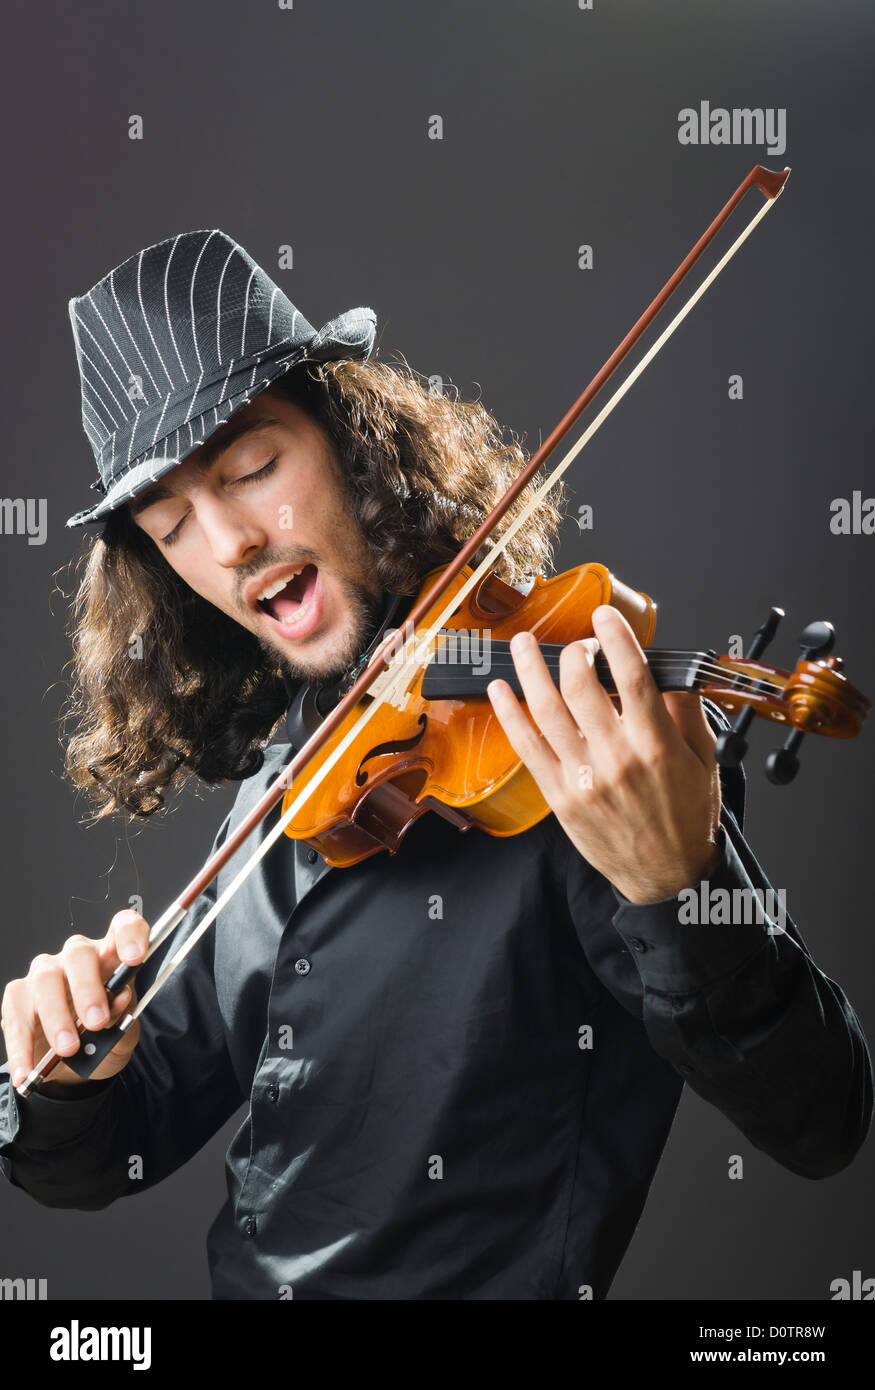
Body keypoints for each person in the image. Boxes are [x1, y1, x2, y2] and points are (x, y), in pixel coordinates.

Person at [0, 230, 870, 1300]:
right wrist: (69, 1078)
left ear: (352, 443)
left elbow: (820, 1115)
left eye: (253, 469)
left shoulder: (572, 750)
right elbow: (107, 1154)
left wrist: (680, 886)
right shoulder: (292, 783)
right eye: (173, 522)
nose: (227, 540)